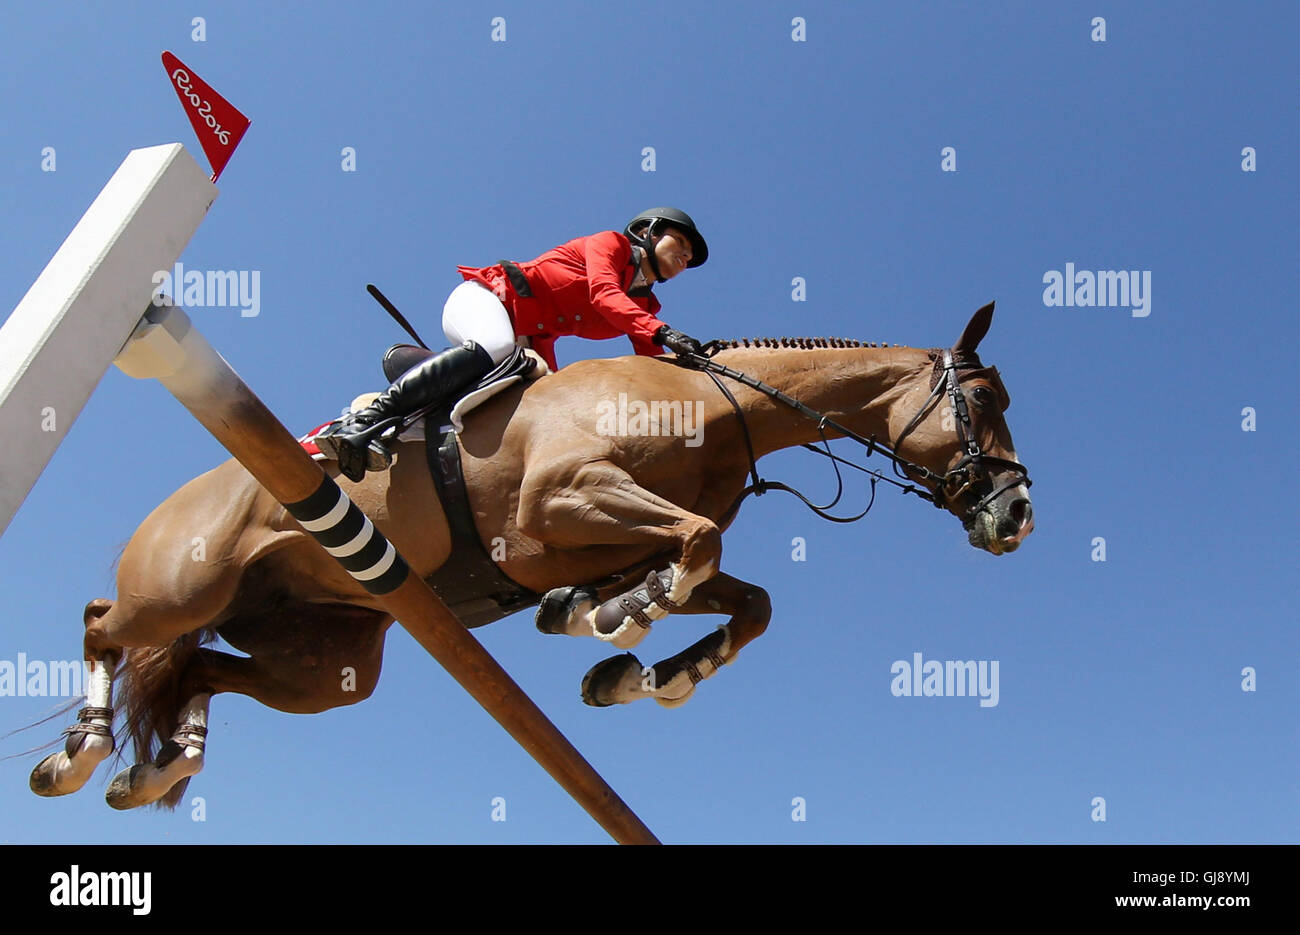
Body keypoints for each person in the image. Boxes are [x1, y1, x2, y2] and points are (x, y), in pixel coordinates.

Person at [314, 207, 710, 481]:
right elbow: (605, 295)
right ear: (650, 231)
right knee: (496, 346)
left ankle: (415, 431)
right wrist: (665, 332)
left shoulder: (646, 302)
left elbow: (651, 370)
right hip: (487, 297)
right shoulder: (611, 246)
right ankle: (362, 422)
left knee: (543, 412)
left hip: (530, 341)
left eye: (690, 257)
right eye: (681, 244)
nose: (686, 257)